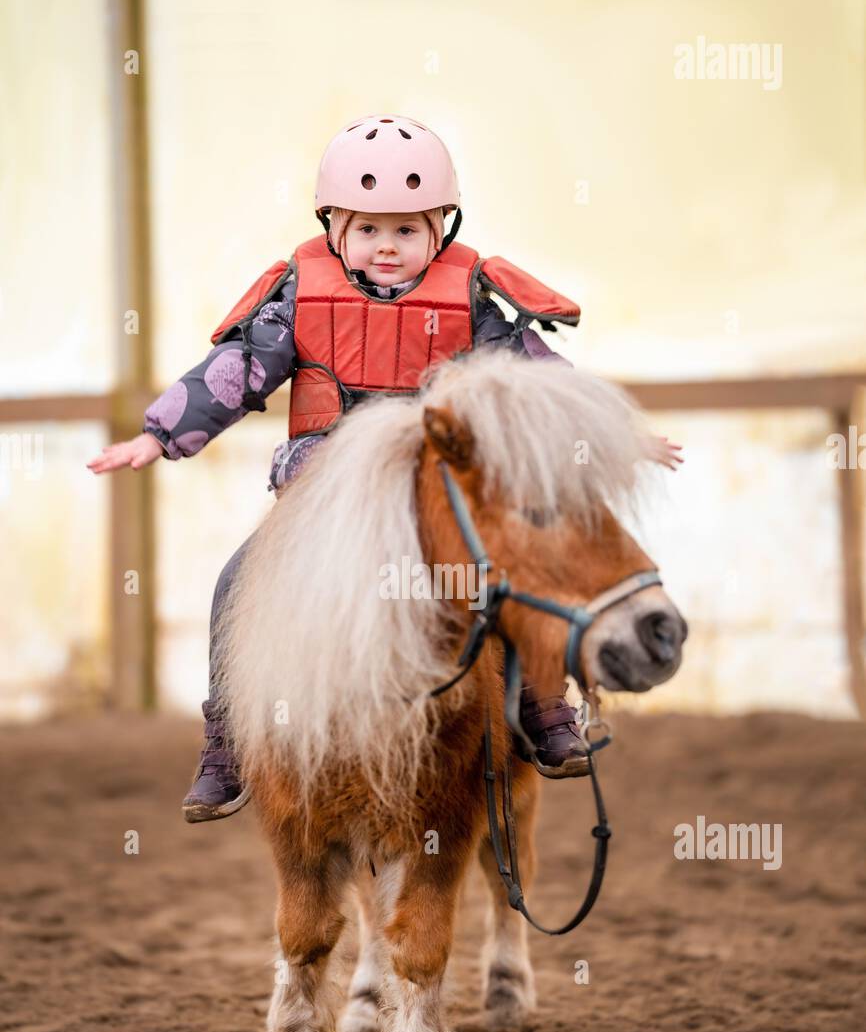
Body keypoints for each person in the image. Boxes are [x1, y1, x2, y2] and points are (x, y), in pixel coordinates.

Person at [88, 114, 682, 822]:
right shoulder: (297, 297)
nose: (388, 246)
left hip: (436, 495)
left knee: (520, 578)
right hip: (325, 497)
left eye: (408, 229)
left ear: (442, 230)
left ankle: (544, 709)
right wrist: (158, 434)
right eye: (368, 228)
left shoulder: (472, 300)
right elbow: (236, 372)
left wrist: (620, 435)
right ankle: (226, 741)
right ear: (335, 228)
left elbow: (538, 382)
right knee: (236, 584)